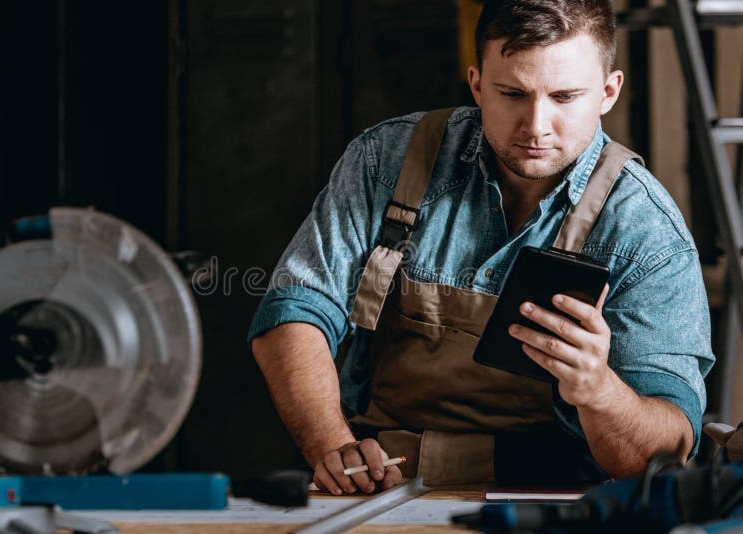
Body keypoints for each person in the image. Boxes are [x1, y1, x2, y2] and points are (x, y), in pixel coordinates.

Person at [248, 0, 715, 494]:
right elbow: (294, 311)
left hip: (547, 497)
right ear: (476, 84)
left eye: (564, 97)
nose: (536, 125)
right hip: (383, 481)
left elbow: (666, 451)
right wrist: (332, 445)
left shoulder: (646, 232)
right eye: (512, 93)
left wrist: (599, 390)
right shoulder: (387, 161)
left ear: (608, 92)